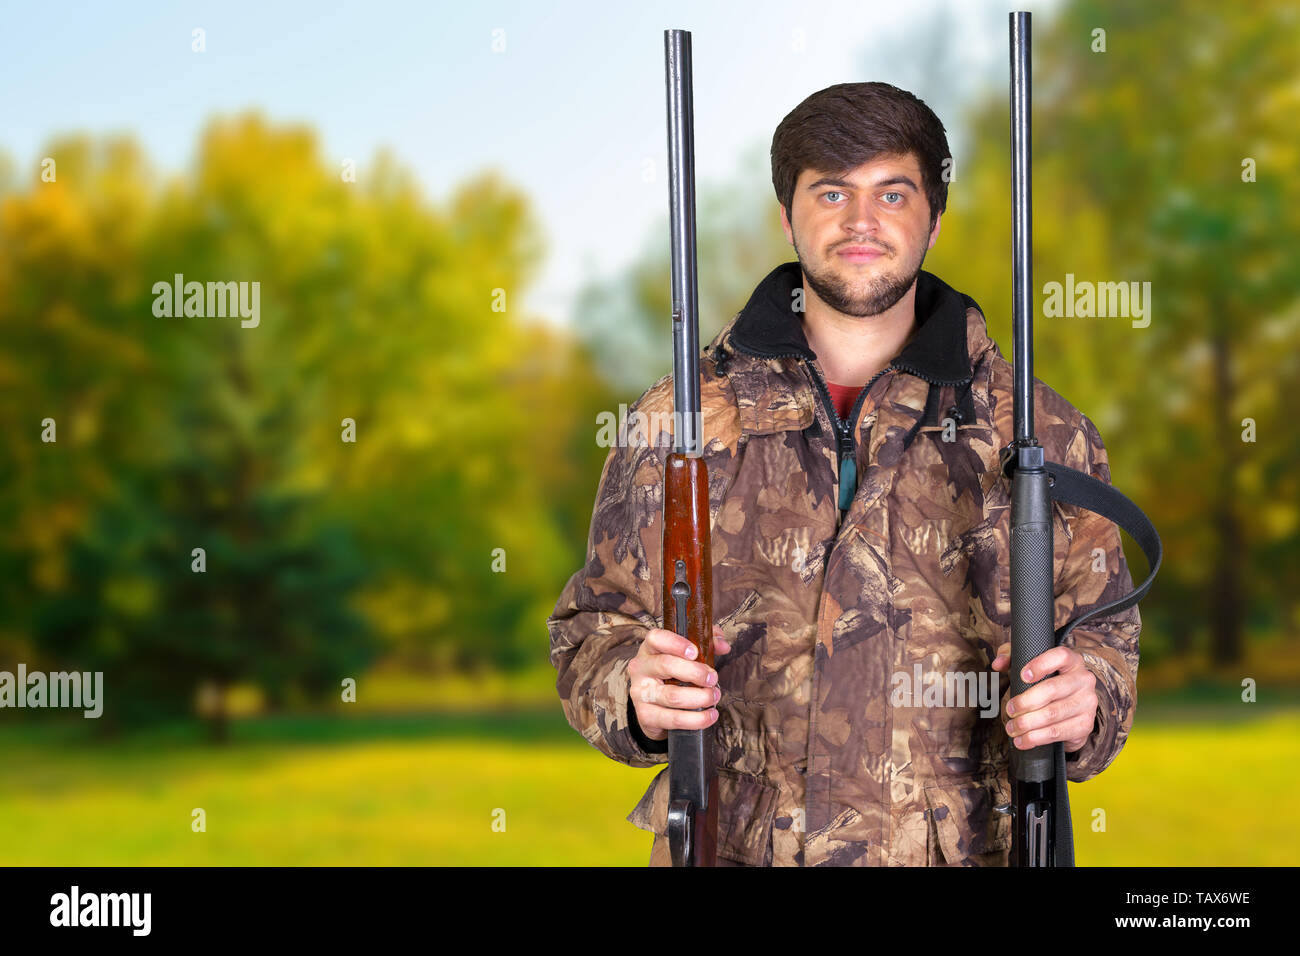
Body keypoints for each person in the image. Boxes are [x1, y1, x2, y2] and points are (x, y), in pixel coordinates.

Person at [547, 82, 1140, 866]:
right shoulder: (677, 419)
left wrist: (1086, 698)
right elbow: (593, 631)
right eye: (832, 192)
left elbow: (1105, 640)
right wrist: (634, 690)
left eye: (893, 193)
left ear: (934, 218)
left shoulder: (1039, 429)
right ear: (788, 218)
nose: (862, 221)